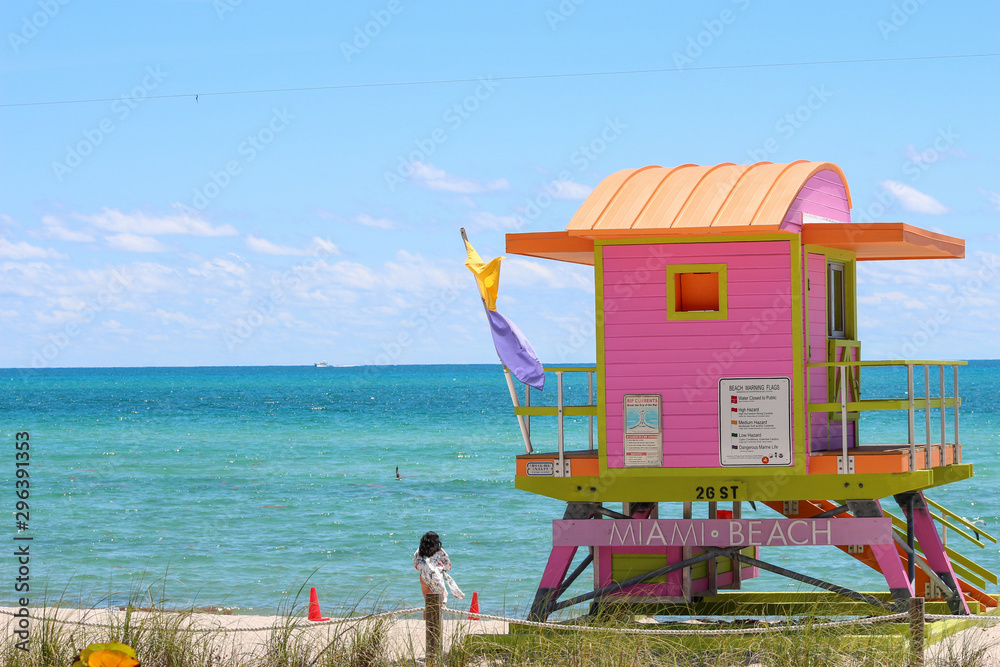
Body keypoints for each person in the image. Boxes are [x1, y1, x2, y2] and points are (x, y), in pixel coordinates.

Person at [413, 531, 464, 611]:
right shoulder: (440, 551)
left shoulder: (419, 551)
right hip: (436, 578)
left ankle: (428, 623)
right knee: (438, 605)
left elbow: (416, 567)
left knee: (428, 604)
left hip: (423, 577)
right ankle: (436, 623)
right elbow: (448, 565)